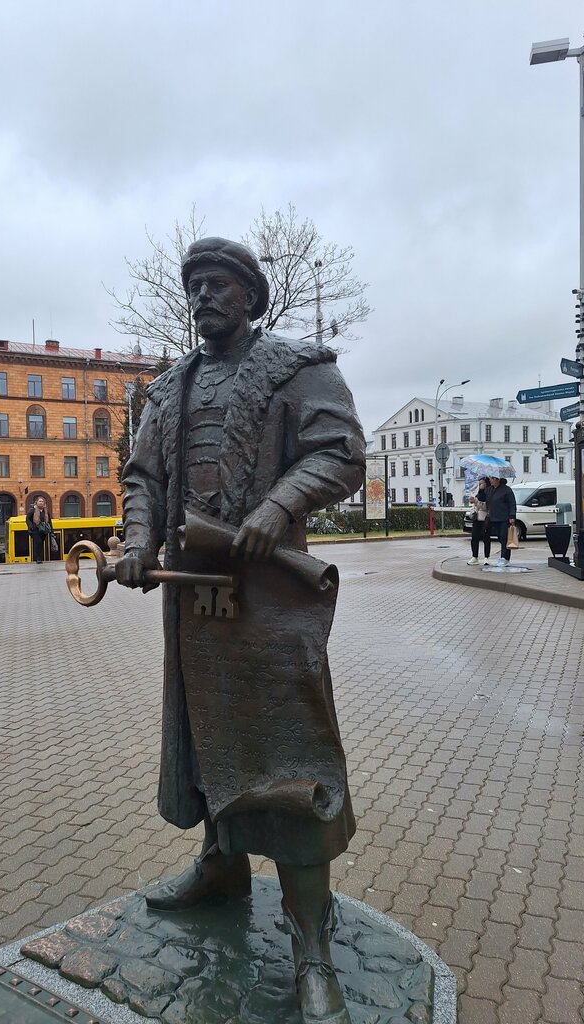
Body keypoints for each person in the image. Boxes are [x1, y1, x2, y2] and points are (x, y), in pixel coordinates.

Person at [119, 237, 365, 1024]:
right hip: (194, 604)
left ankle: (311, 942)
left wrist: (278, 506)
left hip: (269, 601)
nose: (203, 298)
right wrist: (134, 543)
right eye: (194, 286)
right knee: (204, 744)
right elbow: (143, 478)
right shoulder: (168, 390)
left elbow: (340, 453)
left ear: (253, 298)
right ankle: (221, 869)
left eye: (219, 285)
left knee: (291, 753)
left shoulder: (301, 369)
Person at [487, 475, 517, 565]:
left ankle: (505, 557)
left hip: (504, 518)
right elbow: (486, 500)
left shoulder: (506, 490)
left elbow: (512, 503)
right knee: (500, 537)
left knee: (504, 538)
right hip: (494, 518)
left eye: (491, 479)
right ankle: (504, 556)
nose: (490, 480)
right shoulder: (489, 490)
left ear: (497, 479)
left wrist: (512, 516)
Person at [467, 477, 492, 565]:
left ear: (486, 484)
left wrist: (477, 502)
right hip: (476, 519)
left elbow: (486, 507)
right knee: (474, 538)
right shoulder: (477, 493)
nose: (480, 485)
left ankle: (486, 557)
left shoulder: (489, 493)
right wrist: (473, 502)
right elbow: (476, 505)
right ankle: (475, 556)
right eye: (479, 483)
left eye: (482, 483)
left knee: (486, 538)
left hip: (485, 519)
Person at [26, 496, 52, 564]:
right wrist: (30, 526)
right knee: (38, 542)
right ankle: (38, 558)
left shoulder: (46, 511)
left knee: (41, 544)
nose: (41, 503)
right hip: (35, 530)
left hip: (43, 530)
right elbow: (28, 519)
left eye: (42, 501)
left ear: (44, 503)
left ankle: (40, 557)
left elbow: (49, 521)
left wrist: (52, 531)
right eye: (39, 501)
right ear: (36, 502)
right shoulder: (32, 510)